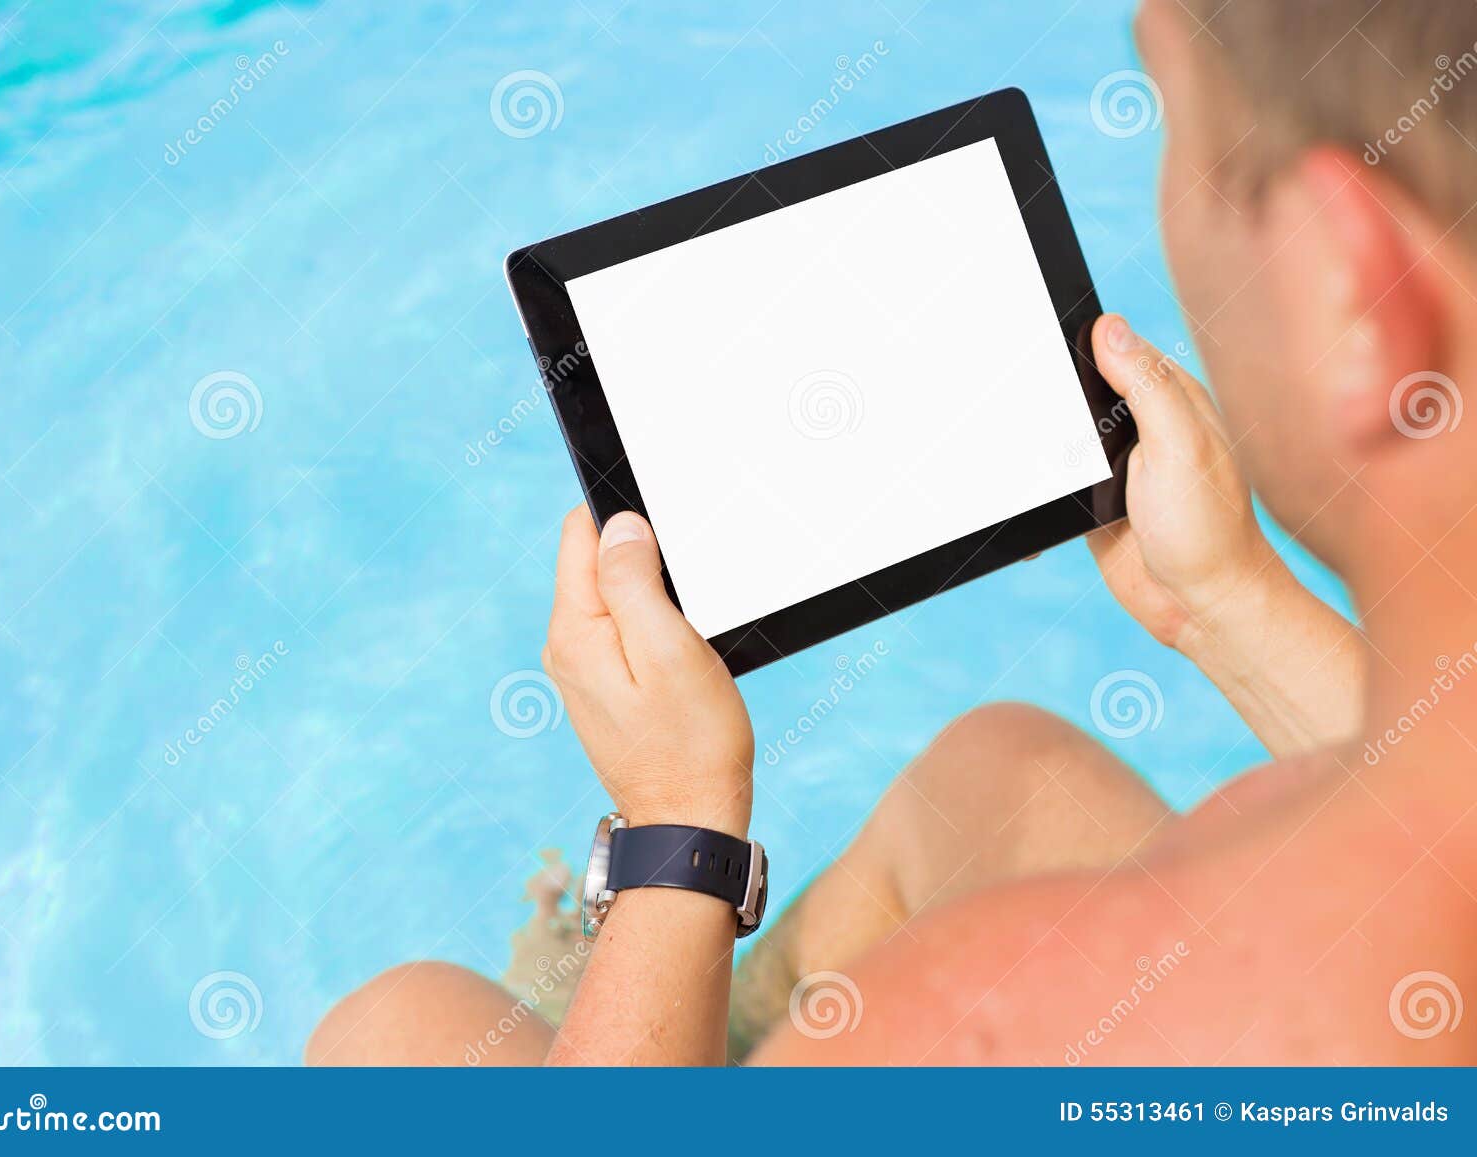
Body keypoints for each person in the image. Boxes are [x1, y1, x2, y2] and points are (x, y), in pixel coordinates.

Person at [307, 0, 1477, 1065]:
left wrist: (679, 829)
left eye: (1177, 126)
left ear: (1349, 283)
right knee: (1000, 770)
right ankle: (686, 995)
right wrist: (1222, 598)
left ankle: (640, 987)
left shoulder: (986, 1018)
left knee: (397, 1030)